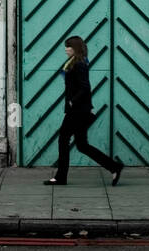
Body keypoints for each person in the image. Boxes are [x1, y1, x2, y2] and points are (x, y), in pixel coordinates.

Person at [43, 35, 124, 187]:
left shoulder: (79, 64)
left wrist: (72, 101)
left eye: (68, 47)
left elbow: (85, 87)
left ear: (75, 48)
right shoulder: (74, 63)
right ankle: (114, 167)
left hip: (78, 111)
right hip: (79, 110)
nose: (66, 49)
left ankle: (61, 177)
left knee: (63, 139)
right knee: (82, 145)